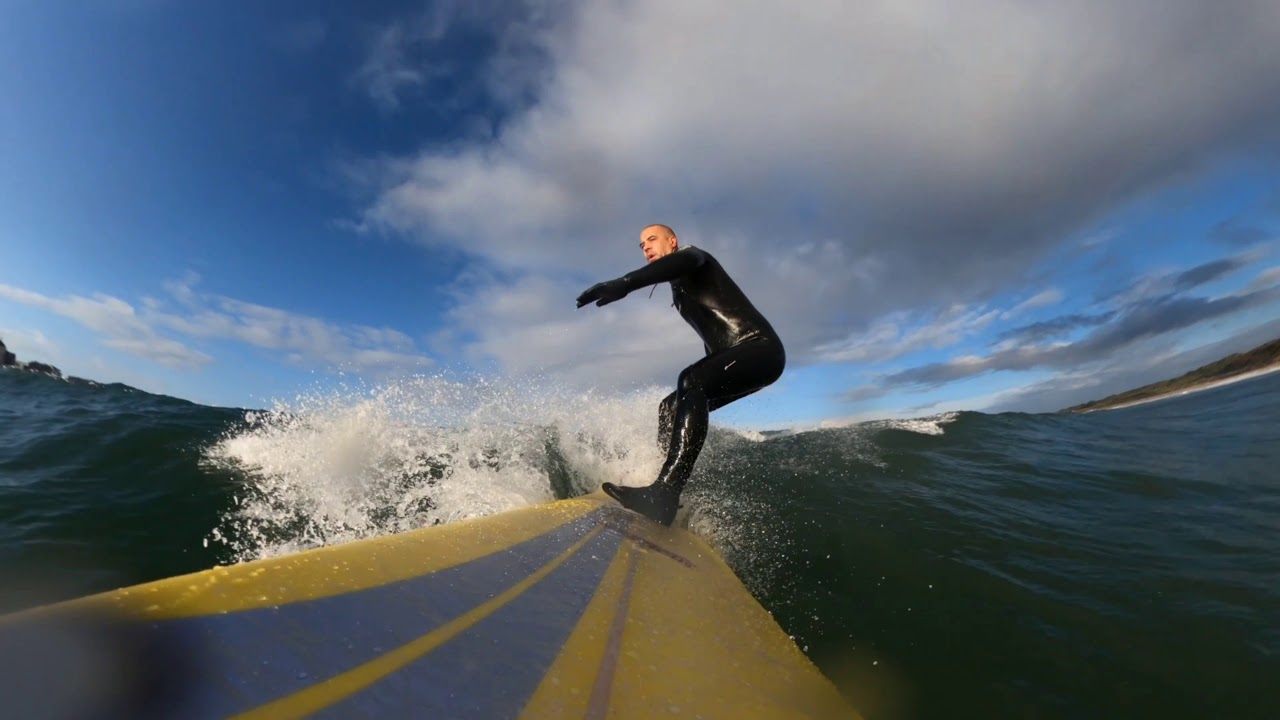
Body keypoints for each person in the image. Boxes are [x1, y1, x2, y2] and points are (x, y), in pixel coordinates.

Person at [575, 224, 786, 525]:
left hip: (761, 349)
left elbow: (688, 260)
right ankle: (663, 483)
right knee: (669, 407)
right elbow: (713, 334)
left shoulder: (693, 257)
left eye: (652, 239)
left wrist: (625, 282)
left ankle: (666, 492)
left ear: (672, 241)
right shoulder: (680, 289)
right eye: (641, 244)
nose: (646, 246)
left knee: (692, 380)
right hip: (744, 356)